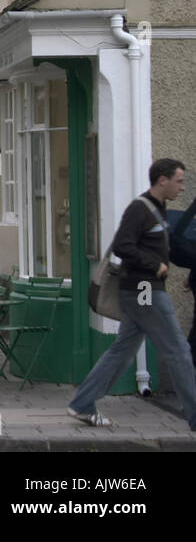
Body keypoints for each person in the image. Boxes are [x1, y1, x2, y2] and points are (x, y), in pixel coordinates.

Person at [68, 158, 196, 429]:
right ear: (163, 179)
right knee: (178, 350)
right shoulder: (140, 209)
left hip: (142, 289)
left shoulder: (159, 209)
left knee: (122, 351)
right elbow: (123, 246)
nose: (182, 187)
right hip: (144, 289)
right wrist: (155, 265)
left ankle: (82, 403)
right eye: (179, 181)